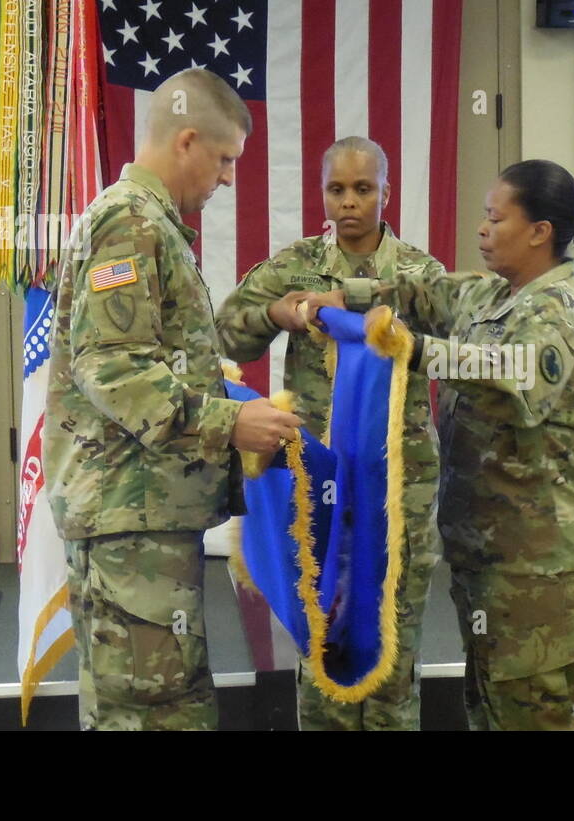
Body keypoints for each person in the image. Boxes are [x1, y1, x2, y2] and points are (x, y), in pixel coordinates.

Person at [297, 159, 574, 731]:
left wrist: (413, 349)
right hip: (494, 556)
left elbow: (512, 369)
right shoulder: (492, 296)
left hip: (547, 564)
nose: (482, 229)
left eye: (496, 219)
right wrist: (344, 297)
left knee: (534, 714)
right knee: (492, 706)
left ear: (539, 232)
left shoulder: (561, 313)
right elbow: (423, 290)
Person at [44, 69, 303, 731]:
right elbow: (113, 368)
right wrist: (229, 420)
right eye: (224, 160)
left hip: (141, 512)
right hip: (130, 518)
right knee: (157, 711)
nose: (227, 179)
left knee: (143, 703)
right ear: (187, 141)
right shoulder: (129, 222)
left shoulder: (146, 221)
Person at [216, 136, 445, 731]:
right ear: (322, 194)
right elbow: (224, 335)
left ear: (386, 194)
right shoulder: (296, 268)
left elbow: (460, 341)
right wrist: (277, 314)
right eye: (337, 190)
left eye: (363, 189)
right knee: (321, 632)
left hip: (399, 489)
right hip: (319, 483)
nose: (349, 203)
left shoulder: (419, 275)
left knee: (393, 641)